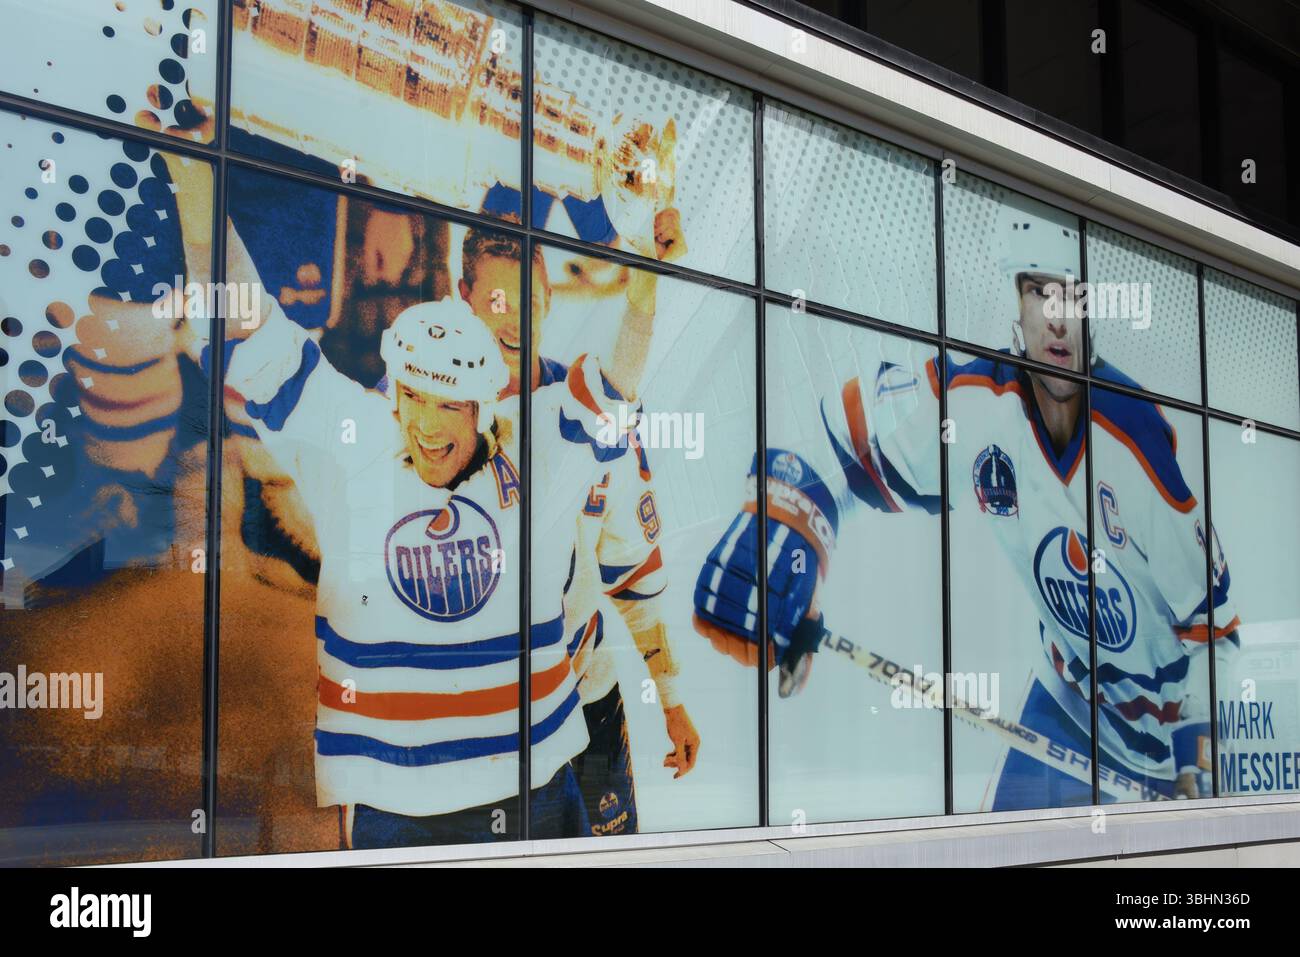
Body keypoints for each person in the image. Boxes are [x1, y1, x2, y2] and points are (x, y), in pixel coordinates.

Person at [694, 194, 1238, 806]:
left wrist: (1201, 760)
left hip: (1172, 751)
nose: (1057, 319)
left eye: (1072, 297)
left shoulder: (1136, 439)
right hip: (1066, 710)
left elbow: (1214, 628)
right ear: (1017, 303)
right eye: (1040, 292)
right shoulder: (977, 402)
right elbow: (833, 457)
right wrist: (791, 529)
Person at [185, 227, 640, 846]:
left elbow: (614, 388)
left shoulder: (532, 451)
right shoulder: (356, 441)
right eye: (414, 397)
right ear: (393, 392)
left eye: (451, 405)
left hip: (537, 792)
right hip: (398, 808)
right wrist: (197, 176)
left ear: (485, 406)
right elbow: (249, 336)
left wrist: (646, 290)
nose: (427, 425)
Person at [458, 222, 699, 837]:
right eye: (496, 302)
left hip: (585, 704)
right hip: (470, 720)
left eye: (531, 304)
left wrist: (671, 702)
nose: (515, 321)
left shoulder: (592, 416)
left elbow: (632, 577)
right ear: (463, 296)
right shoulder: (419, 417)